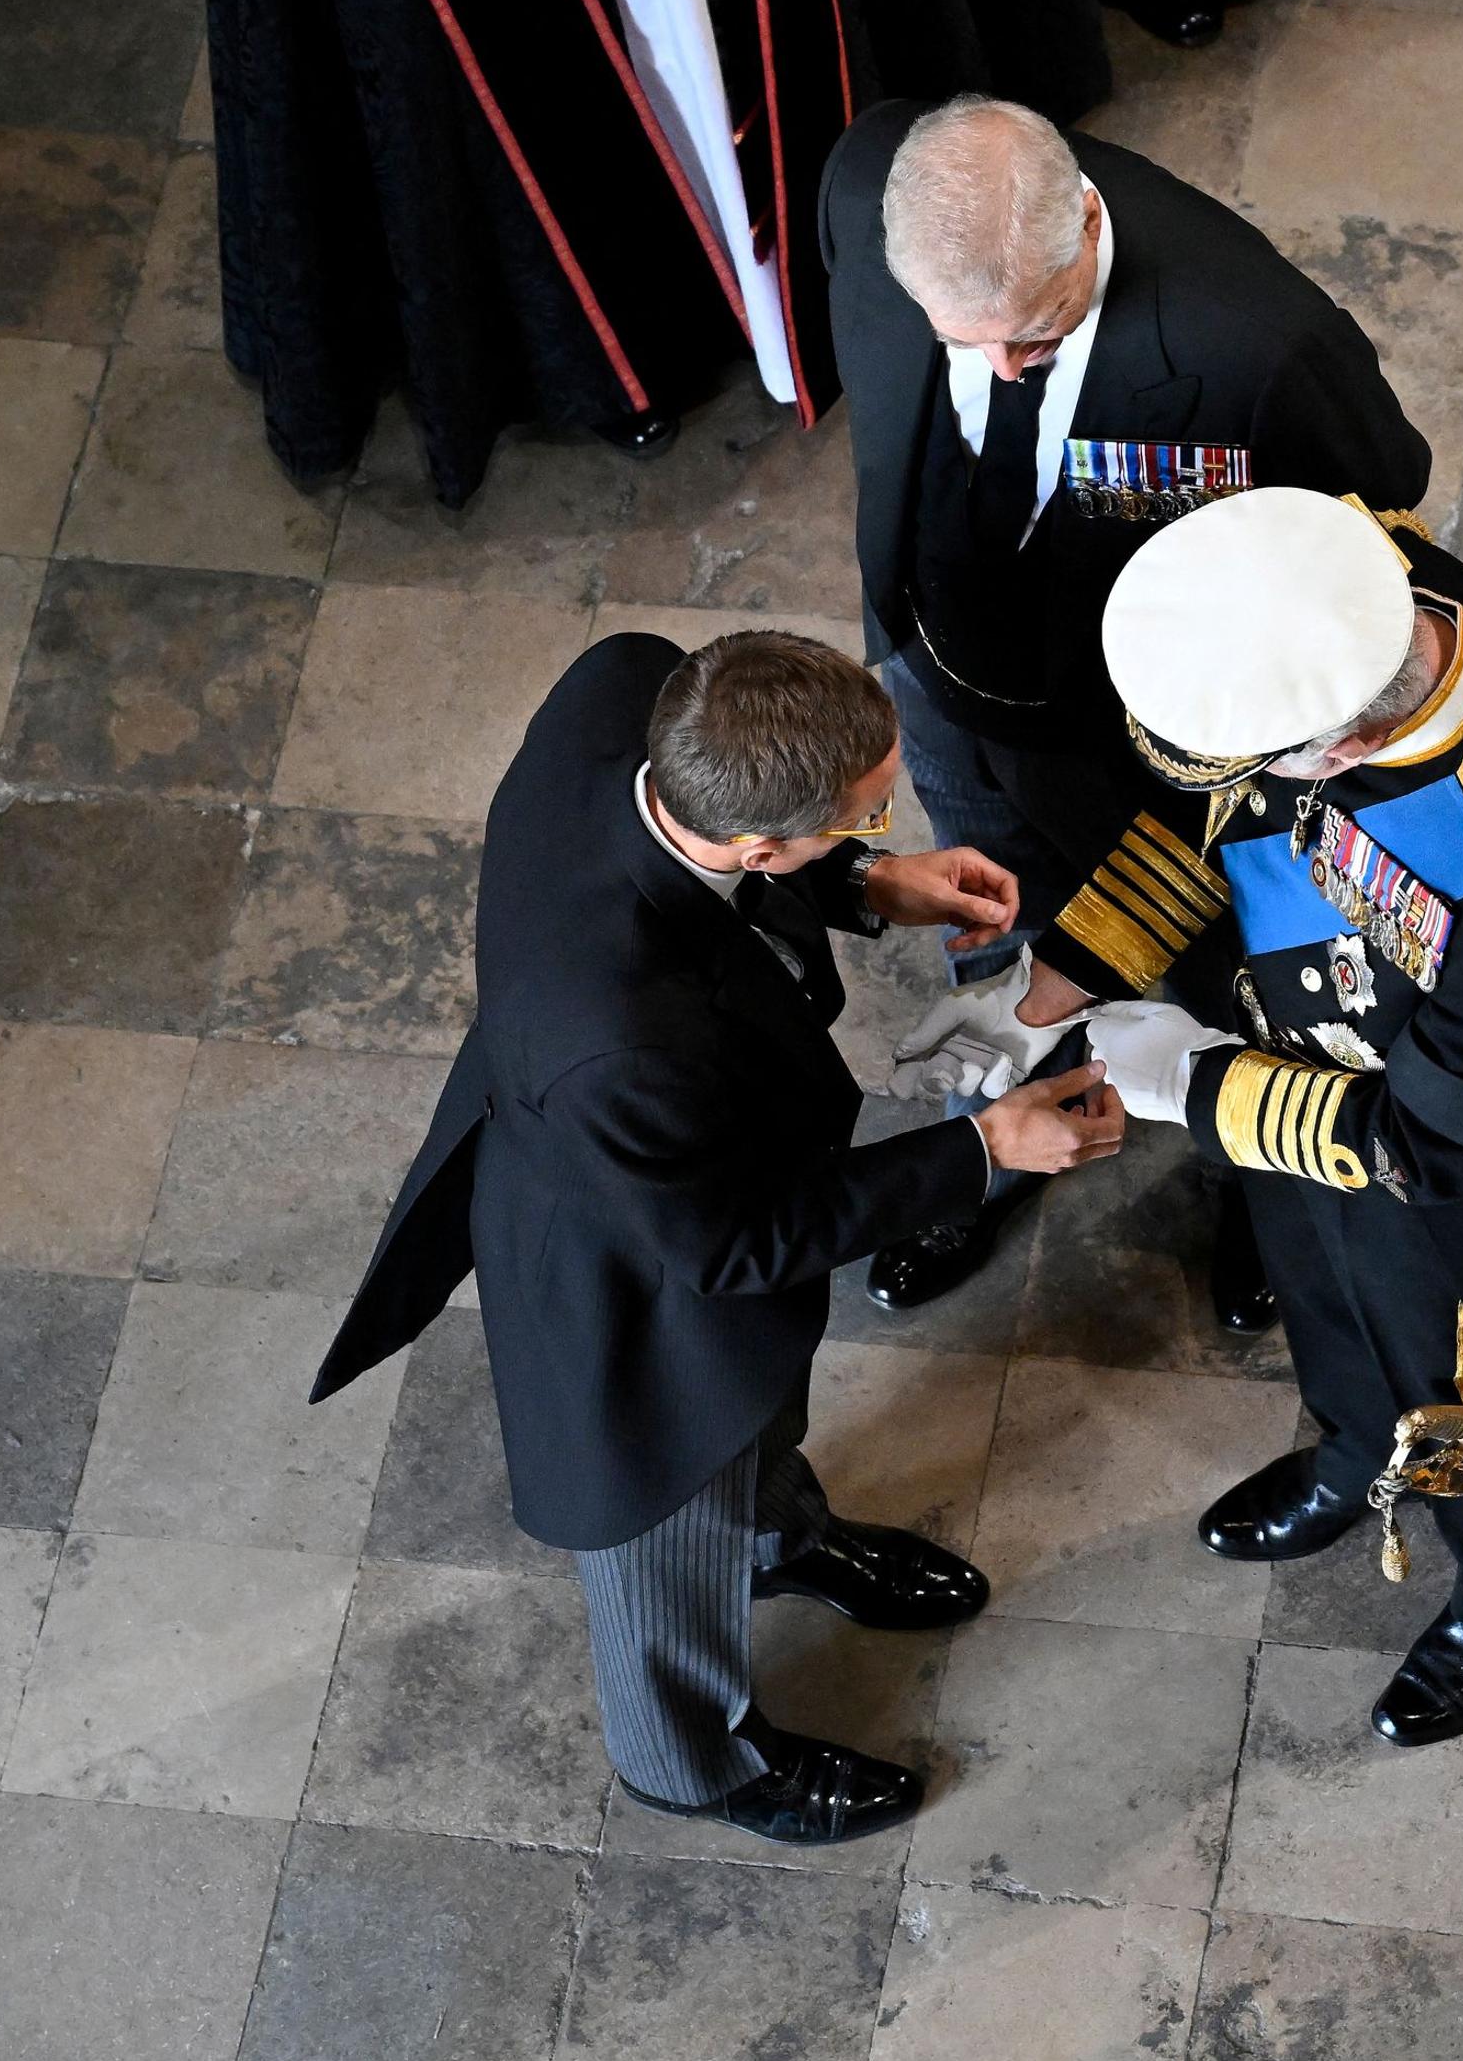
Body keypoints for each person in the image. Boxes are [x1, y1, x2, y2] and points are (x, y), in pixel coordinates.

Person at [309, 630, 1126, 1845]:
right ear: (758, 845)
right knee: (666, 1517)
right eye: (863, 814)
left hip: (684, 1152)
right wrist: (983, 1151)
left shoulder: (627, 687)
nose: (878, 821)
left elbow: (719, 860)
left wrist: (863, 880)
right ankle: (692, 1763)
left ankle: (777, 1539)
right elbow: (734, 1249)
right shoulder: (620, 1035)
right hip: (630, 1279)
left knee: (751, 1421)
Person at [811, 91, 1433, 1312]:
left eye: (1032, 339)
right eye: (966, 340)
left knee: (1223, 969)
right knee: (989, 919)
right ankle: (997, 1145)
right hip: (945, 671)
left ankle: (1251, 1176)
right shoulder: (867, 181)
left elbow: (1371, 538)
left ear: (1089, 226)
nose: (999, 370)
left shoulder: (1260, 347)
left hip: (1140, 741)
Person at [1048, 488, 1463, 1746]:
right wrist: (1072, 967)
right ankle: (1355, 1446)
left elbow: (1430, 1145)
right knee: (1319, 1283)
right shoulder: (1354, 579)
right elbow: (1214, 806)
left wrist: (1191, 1087)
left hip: (1456, 1167)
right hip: (1299, 1059)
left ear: (1340, 750)